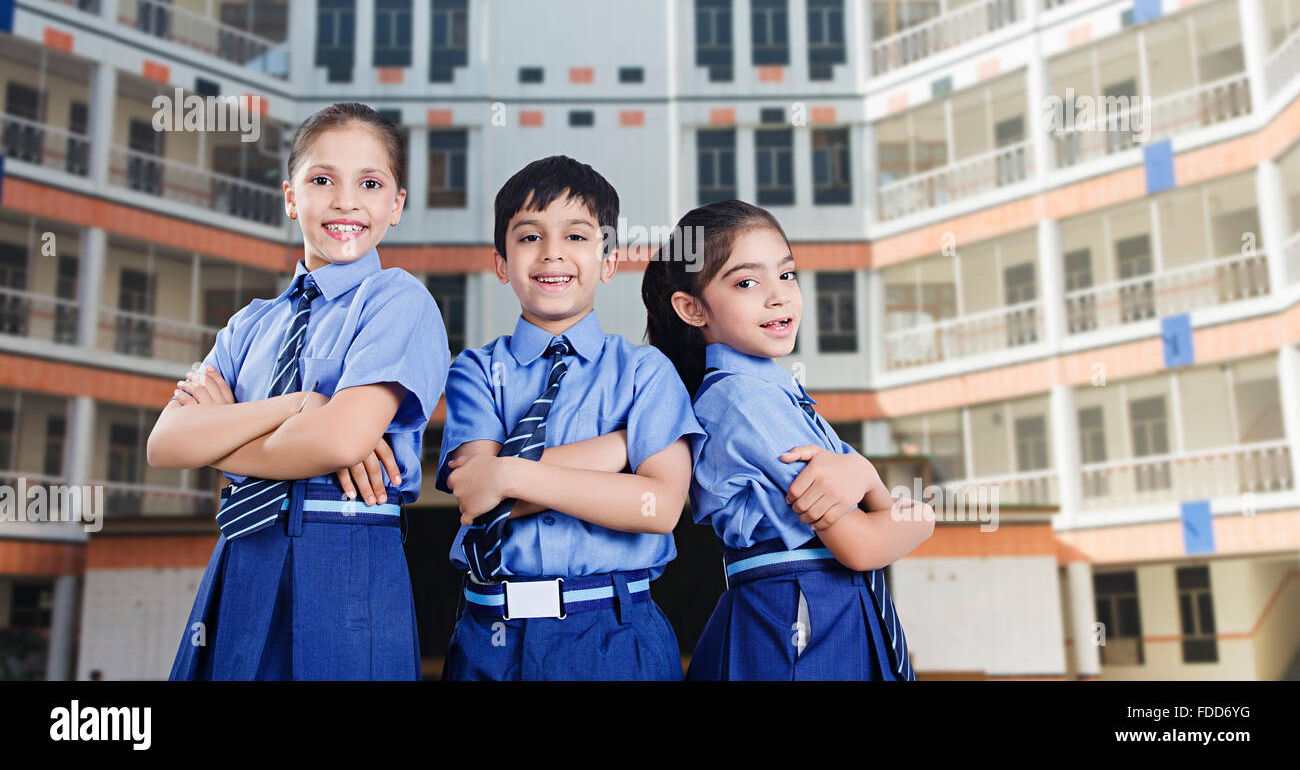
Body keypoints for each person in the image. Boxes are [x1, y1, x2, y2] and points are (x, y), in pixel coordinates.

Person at [148, 102, 449, 680]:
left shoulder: (396, 300)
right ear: (290, 197)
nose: (345, 201)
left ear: (397, 204)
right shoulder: (246, 325)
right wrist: (299, 407)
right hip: (241, 552)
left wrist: (221, 438)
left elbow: (341, 440)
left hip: (346, 556)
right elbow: (164, 444)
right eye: (321, 180)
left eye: (369, 182)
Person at [641, 199, 935, 680]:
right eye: (746, 282)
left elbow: (874, 512)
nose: (779, 296)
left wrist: (865, 477)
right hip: (797, 620)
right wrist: (918, 515)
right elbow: (861, 543)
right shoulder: (742, 402)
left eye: (787, 274)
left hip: (819, 610)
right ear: (692, 308)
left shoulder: (777, 394)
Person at [438, 155, 702, 680]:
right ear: (500, 261)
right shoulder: (475, 371)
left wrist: (510, 471)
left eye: (577, 236)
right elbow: (478, 497)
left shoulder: (645, 372)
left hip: (618, 633)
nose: (552, 253)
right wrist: (619, 450)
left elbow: (658, 506)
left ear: (609, 260)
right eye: (529, 236)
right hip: (493, 635)